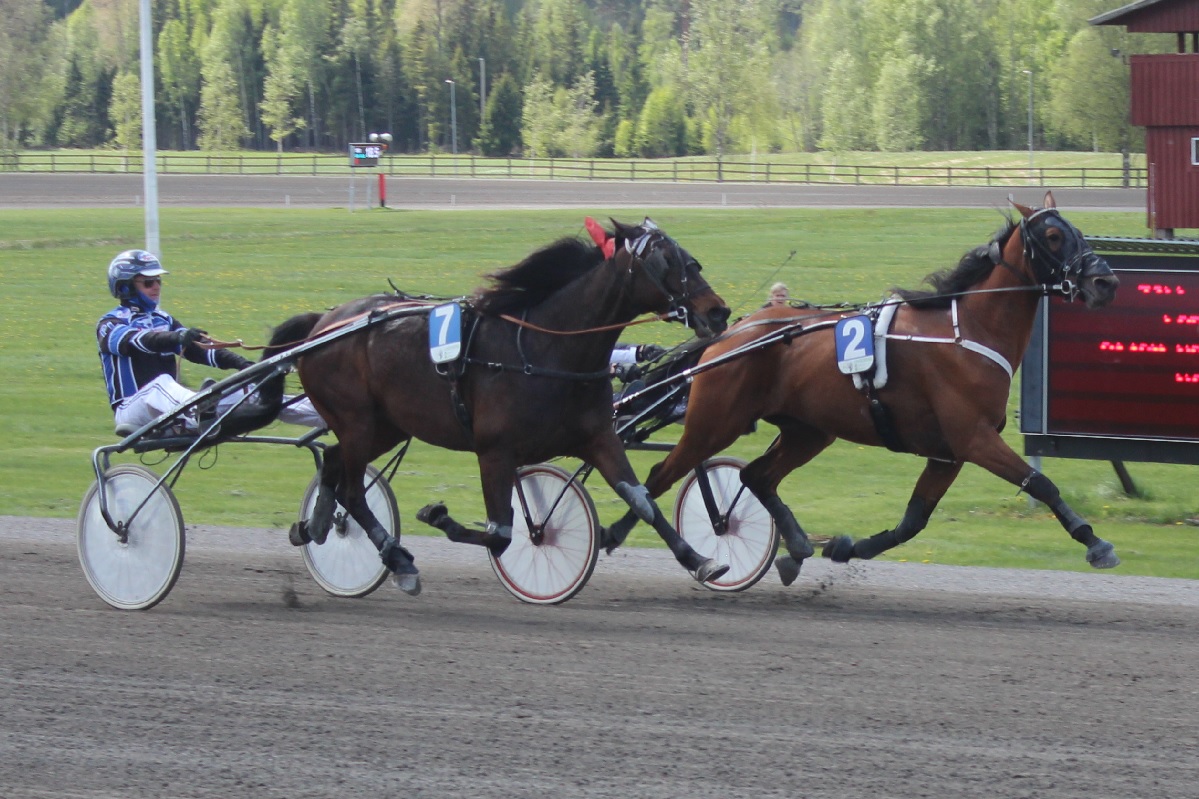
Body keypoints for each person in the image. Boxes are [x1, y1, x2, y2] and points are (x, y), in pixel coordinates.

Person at [97, 249, 324, 433]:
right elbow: (140, 341)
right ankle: (198, 408)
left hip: (175, 407)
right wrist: (176, 337)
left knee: (253, 390)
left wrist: (246, 367)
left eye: (157, 280)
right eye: (147, 282)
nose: (156, 286)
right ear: (125, 287)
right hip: (132, 410)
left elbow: (202, 351)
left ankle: (326, 414)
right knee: (160, 384)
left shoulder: (163, 319)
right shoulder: (110, 323)